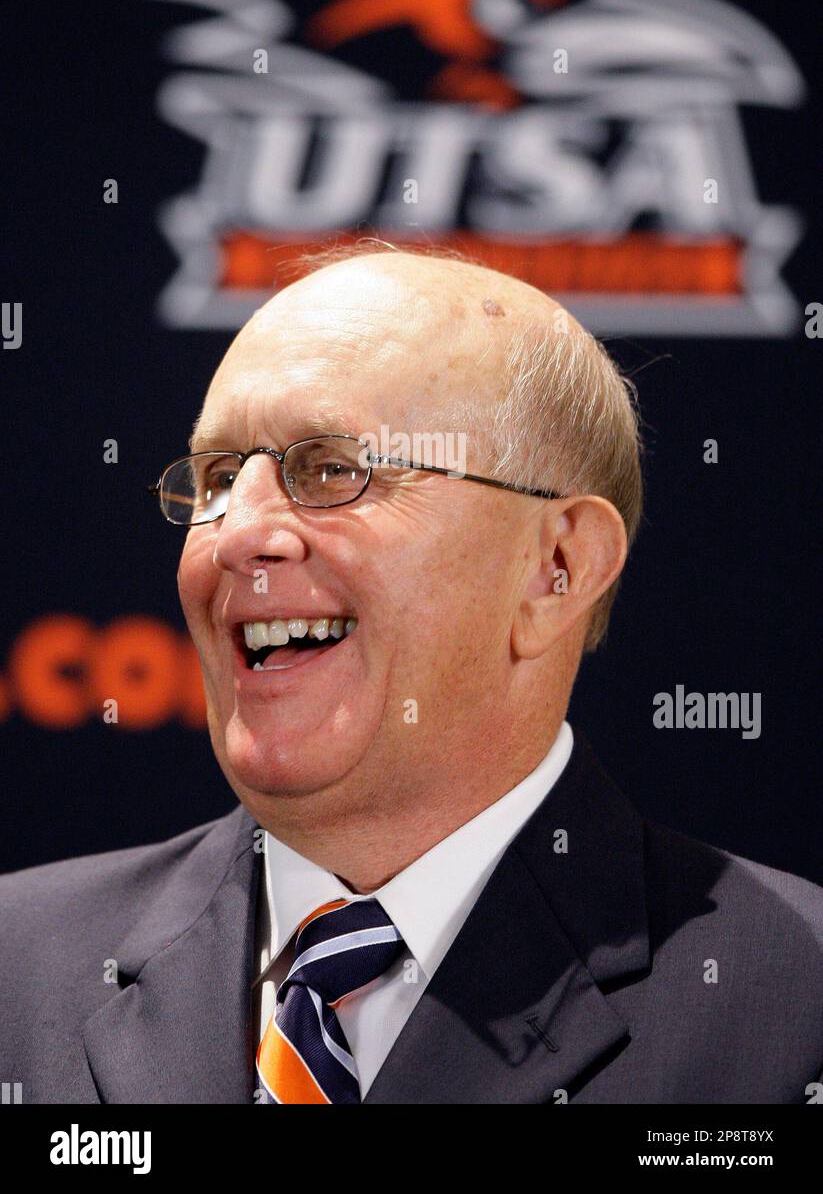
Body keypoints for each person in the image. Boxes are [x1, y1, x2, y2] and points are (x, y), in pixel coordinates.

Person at [1, 245, 820, 1104]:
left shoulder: (791, 1013)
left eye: (328, 470)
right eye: (214, 479)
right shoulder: (17, 964)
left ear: (558, 568)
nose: (235, 534)